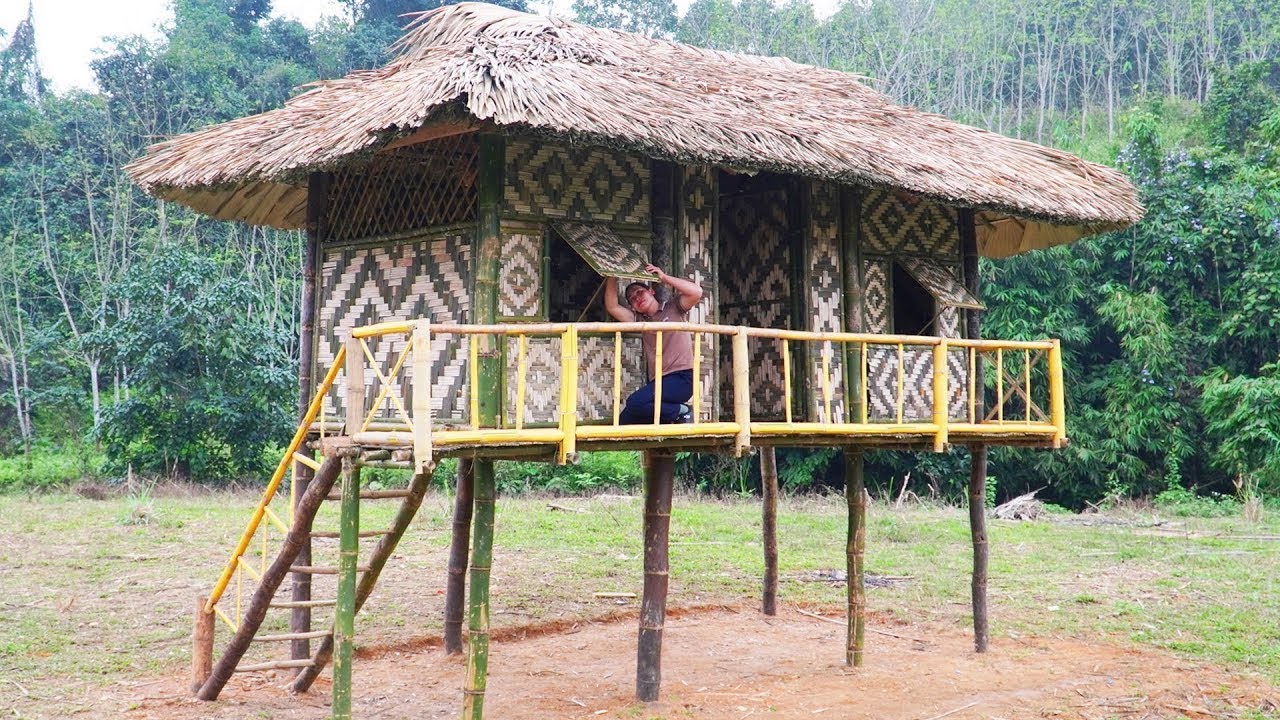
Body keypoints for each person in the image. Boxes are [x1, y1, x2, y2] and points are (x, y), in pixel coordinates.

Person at [604, 263, 704, 424]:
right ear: (633, 308)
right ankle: (675, 415)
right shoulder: (640, 321)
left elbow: (696, 292)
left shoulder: (674, 307)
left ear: (651, 292)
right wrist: (611, 274)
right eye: (633, 299)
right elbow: (612, 306)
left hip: (682, 378)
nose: (637, 298)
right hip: (659, 382)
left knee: (635, 403)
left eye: (640, 292)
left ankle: (683, 411)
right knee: (624, 420)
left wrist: (663, 277)